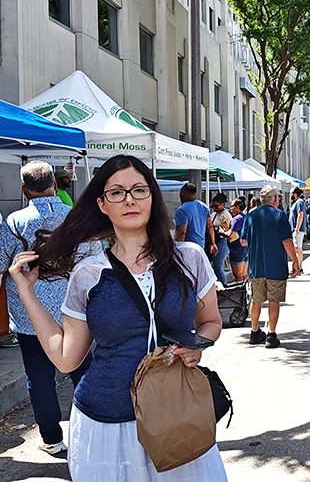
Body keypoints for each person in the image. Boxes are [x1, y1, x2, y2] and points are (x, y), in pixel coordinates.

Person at [8, 155, 226, 480]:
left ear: (152, 196)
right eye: (116, 192)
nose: (129, 199)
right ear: (102, 204)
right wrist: (27, 292)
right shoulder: (88, 273)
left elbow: (211, 321)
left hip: (177, 415)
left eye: (139, 190)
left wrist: (198, 345)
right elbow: (67, 358)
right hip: (105, 423)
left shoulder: (188, 258)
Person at [0, 161, 94, 455]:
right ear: (54, 184)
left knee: (39, 378)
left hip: (31, 315)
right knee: (83, 372)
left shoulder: (15, 222)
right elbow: (92, 261)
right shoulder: (75, 218)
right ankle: (93, 430)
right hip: (73, 310)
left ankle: (52, 438)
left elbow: (2, 264)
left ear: (25, 189)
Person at [241, 185, 300, 349]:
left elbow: (243, 240)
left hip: (256, 265)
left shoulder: (251, 215)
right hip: (276, 265)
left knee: (256, 299)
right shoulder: (280, 215)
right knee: (274, 300)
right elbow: (287, 241)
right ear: (275, 199)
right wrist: (295, 261)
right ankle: (271, 335)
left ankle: (254, 332)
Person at [175, 183, 217, 256]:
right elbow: (210, 226)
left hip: (187, 248)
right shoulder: (204, 207)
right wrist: (213, 243)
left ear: (183, 192)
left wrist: (178, 249)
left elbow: (182, 232)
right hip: (200, 248)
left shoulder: (182, 210)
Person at [209, 193, 232, 287]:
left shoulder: (226, 215)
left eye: (216, 206)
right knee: (212, 265)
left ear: (222, 204)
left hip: (222, 241)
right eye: (212, 206)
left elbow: (228, 231)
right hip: (212, 240)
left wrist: (218, 230)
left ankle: (224, 285)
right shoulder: (214, 214)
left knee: (218, 266)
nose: (214, 208)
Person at [226, 199, 248, 282]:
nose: (230, 209)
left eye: (232, 206)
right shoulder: (245, 217)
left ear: (237, 207)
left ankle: (240, 293)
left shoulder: (237, 219)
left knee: (238, 275)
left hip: (236, 247)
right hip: (245, 247)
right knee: (244, 275)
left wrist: (219, 231)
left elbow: (229, 235)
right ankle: (245, 293)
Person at [289, 187, 307, 276]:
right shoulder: (297, 202)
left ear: (295, 194)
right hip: (296, 229)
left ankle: (299, 267)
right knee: (297, 248)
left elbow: (300, 214)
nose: (290, 195)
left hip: (298, 229)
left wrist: (297, 228)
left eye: (291, 193)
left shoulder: (299, 202)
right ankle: (298, 266)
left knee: (297, 248)